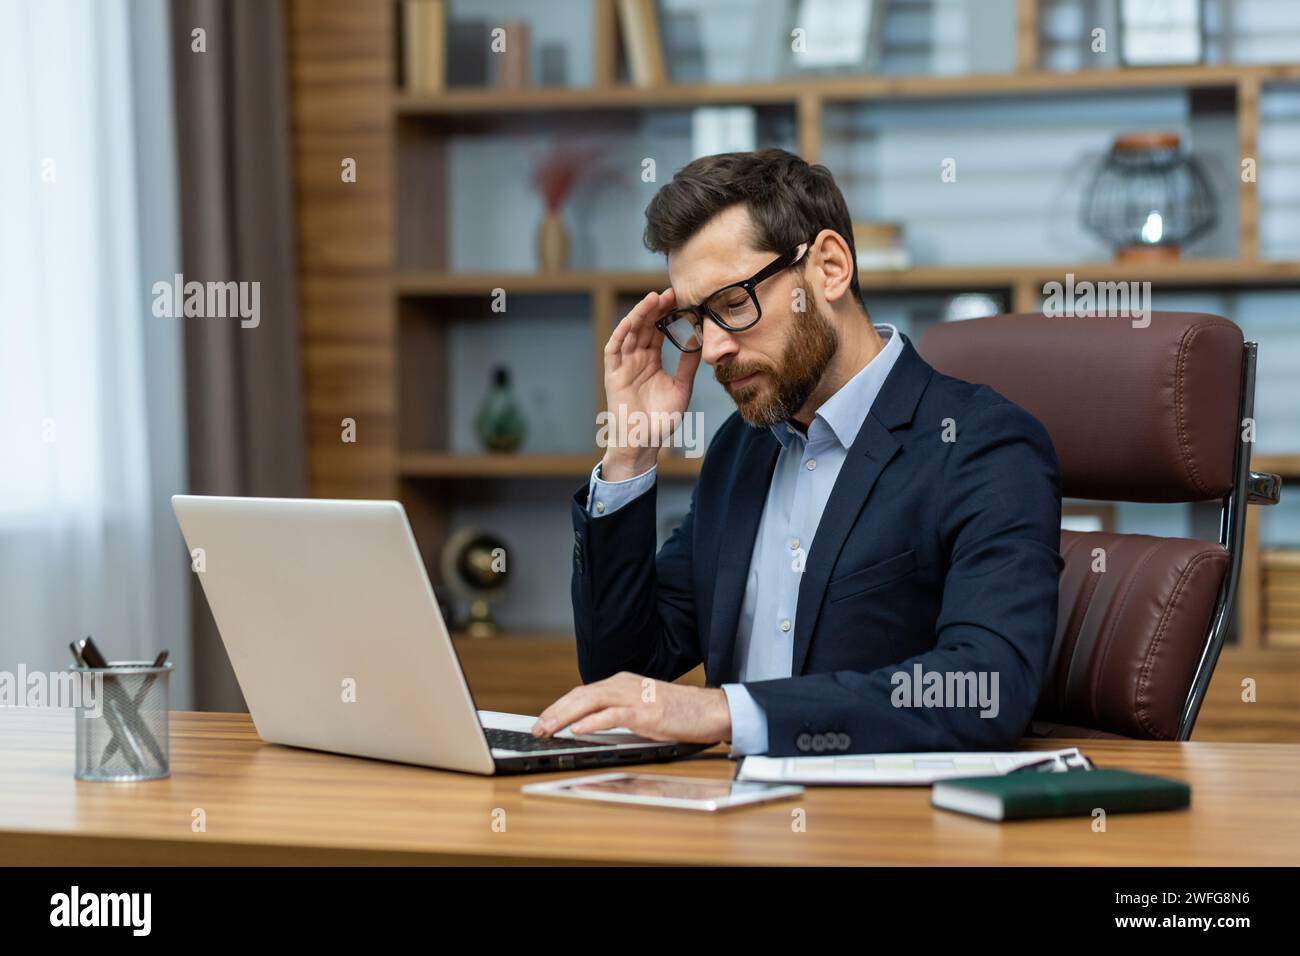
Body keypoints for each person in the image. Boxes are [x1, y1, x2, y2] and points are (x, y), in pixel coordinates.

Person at [532, 148, 1063, 757]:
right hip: (729, 824)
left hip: (881, 833)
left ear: (830, 268)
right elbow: (621, 667)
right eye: (697, 320)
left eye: (733, 305)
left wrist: (726, 712)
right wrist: (630, 456)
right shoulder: (740, 449)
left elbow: (982, 687)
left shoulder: (983, 444)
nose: (711, 351)